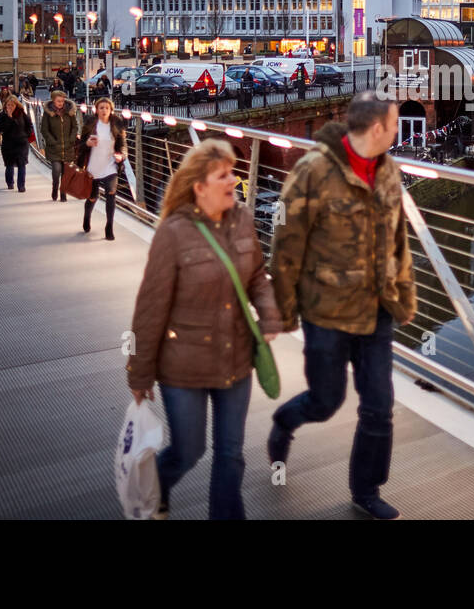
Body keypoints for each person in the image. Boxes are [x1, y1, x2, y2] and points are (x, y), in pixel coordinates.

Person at [267, 90, 416, 519]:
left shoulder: (388, 171)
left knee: (378, 406)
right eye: (393, 123)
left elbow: (399, 238)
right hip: (326, 311)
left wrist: (404, 294)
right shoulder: (313, 171)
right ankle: (284, 423)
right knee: (325, 401)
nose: (396, 129)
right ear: (376, 128)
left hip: (376, 310)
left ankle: (365, 490)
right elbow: (286, 243)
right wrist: (285, 308)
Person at [127, 139, 283, 520]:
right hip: (184, 365)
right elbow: (150, 307)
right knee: (188, 449)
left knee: (231, 454)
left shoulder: (243, 218)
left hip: (236, 357)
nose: (234, 181)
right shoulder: (174, 233)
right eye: (223, 175)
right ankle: (155, 486)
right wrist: (139, 372)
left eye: (233, 172)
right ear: (199, 186)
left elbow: (258, 278)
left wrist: (269, 313)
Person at [77, 96, 127, 240]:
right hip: (92, 167)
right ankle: (87, 217)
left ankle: (109, 227)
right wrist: (87, 144)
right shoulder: (90, 125)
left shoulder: (116, 125)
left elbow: (123, 146)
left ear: (111, 110)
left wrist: (121, 156)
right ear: (96, 110)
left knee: (111, 194)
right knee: (93, 197)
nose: (104, 110)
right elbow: (80, 146)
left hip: (110, 166)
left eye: (107, 108)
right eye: (101, 108)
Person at [39, 89, 80, 202]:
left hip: (67, 146)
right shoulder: (48, 114)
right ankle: (55, 187)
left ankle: (63, 193)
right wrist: (51, 140)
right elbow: (44, 129)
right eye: (58, 101)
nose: (61, 103)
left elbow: (75, 127)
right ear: (53, 101)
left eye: (62, 101)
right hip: (54, 147)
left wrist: (72, 138)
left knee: (66, 173)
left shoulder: (69, 112)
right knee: (57, 170)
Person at [0, 96, 33, 192]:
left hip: (21, 142)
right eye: (8, 105)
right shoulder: (2, 115)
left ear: (16, 105)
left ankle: (21, 185)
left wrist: (27, 134)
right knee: (9, 164)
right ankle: (10, 183)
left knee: (22, 164)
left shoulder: (21, 113)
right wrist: (9, 118)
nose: (10, 107)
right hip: (8, 144)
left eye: (12, 105)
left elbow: (29, 125)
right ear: (5, 106)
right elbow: (1, 129)